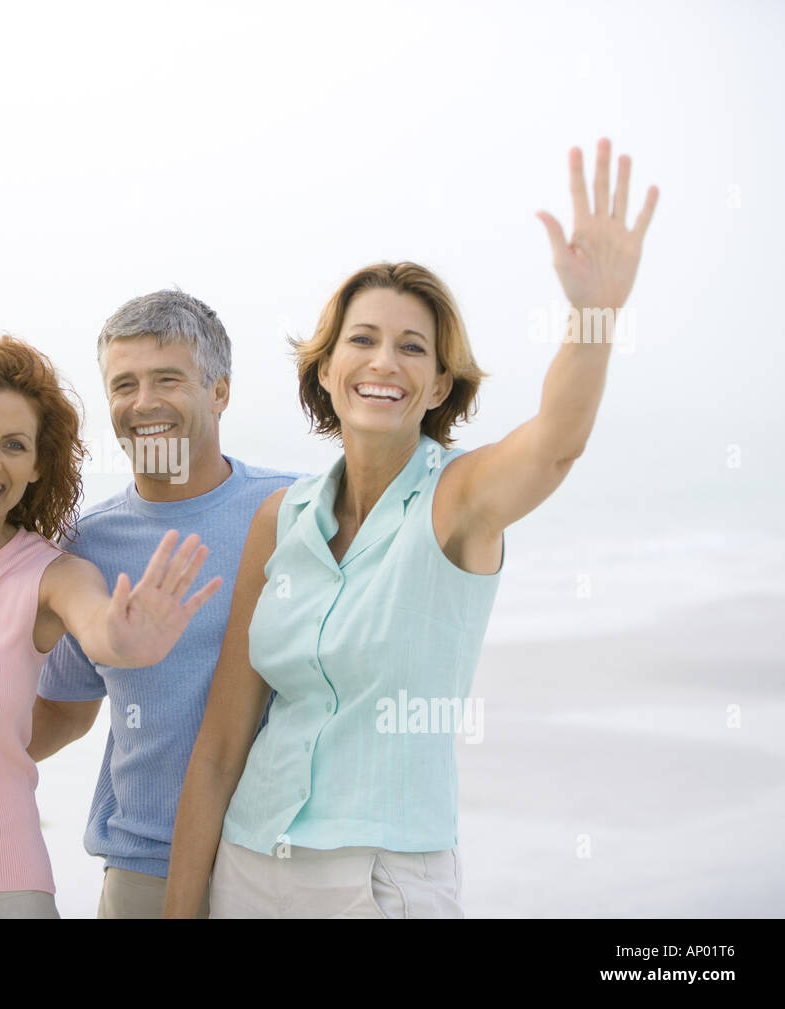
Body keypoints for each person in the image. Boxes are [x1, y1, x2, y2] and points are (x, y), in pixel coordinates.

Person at [164, 140, 659, 918]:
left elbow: (556, 442)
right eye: (362, 339)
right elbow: (223, 744)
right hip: (250, 864)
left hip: (384, 877)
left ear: (437, 385)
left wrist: (593, 314)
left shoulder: (460, 501)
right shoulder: (279, 519)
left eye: (412, 347)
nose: (383, 361)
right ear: (326, 369)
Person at [0, 334, 222, 918]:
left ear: (35, 466)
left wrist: (123, 641)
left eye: (14, 445)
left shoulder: (51, 573)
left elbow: (98, 626)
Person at [30, 290, 300, 917]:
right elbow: (65, 711)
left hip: (283, 863)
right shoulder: (89, 545)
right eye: (124, 385)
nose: (143, 403)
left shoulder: (298, 511)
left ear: (220, 392)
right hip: (144, 870)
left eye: (168, 379)